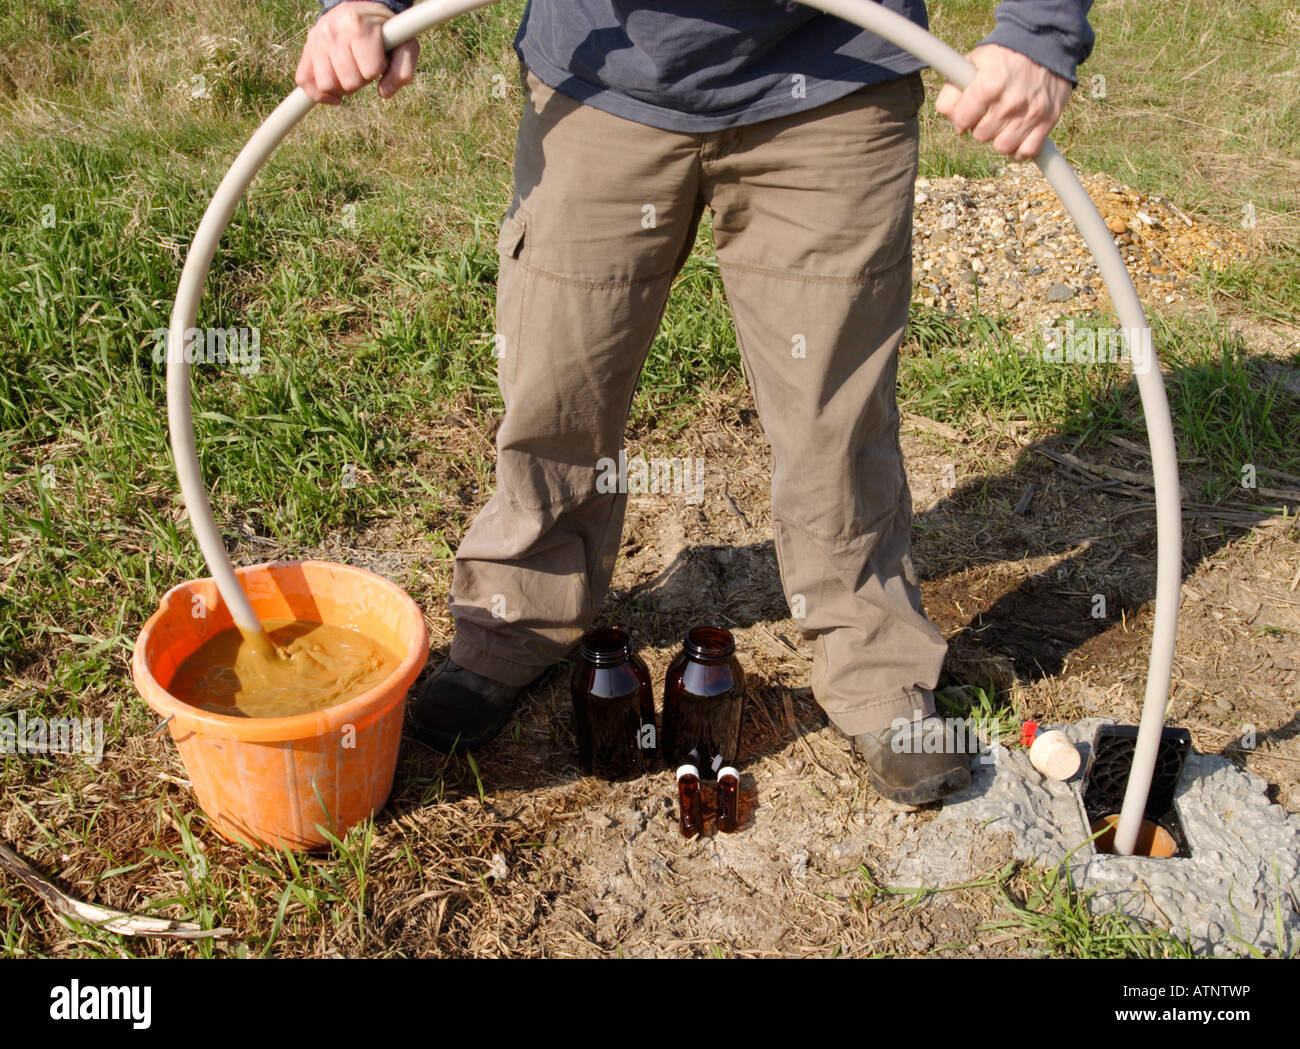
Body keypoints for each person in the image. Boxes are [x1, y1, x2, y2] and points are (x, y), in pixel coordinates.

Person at [298, 0, 1092, 804]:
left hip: (836, 73)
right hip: (604, 74)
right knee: (556, 384)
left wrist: (1040, 32)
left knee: (835, 412)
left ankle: (875, 665)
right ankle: (516, 620)